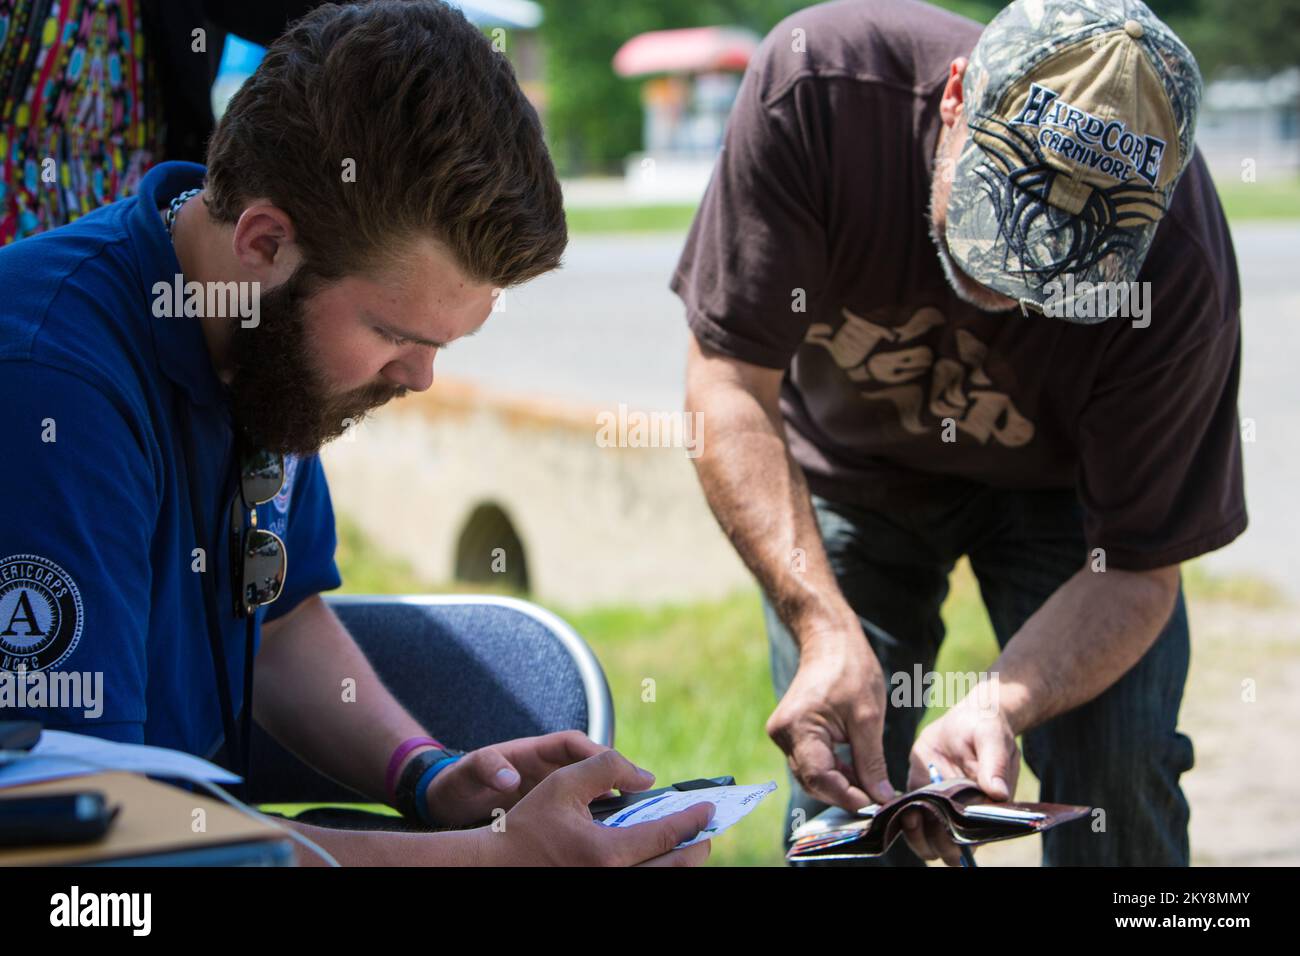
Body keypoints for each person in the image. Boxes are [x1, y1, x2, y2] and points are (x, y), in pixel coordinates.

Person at [0, 0, 713, 867]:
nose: (419, 380)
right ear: (264, 240)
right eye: (395, 335)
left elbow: (281, 615)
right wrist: (501, 860)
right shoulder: (50, 390)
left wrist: (429, 775)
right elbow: (81, 835)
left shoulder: (260, 342)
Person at [675, 0, 1244, 866]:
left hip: (1066, 505)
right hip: (853, 473)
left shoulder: (1182, 272)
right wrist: (822, 624)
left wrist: (1001, 705)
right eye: (995, 222)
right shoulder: (819, 88)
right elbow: (728, 381)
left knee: (1118, 770)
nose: (1013, 289)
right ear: (954, 99)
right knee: (847, 782)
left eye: (1065, 268)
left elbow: (1137, 566)